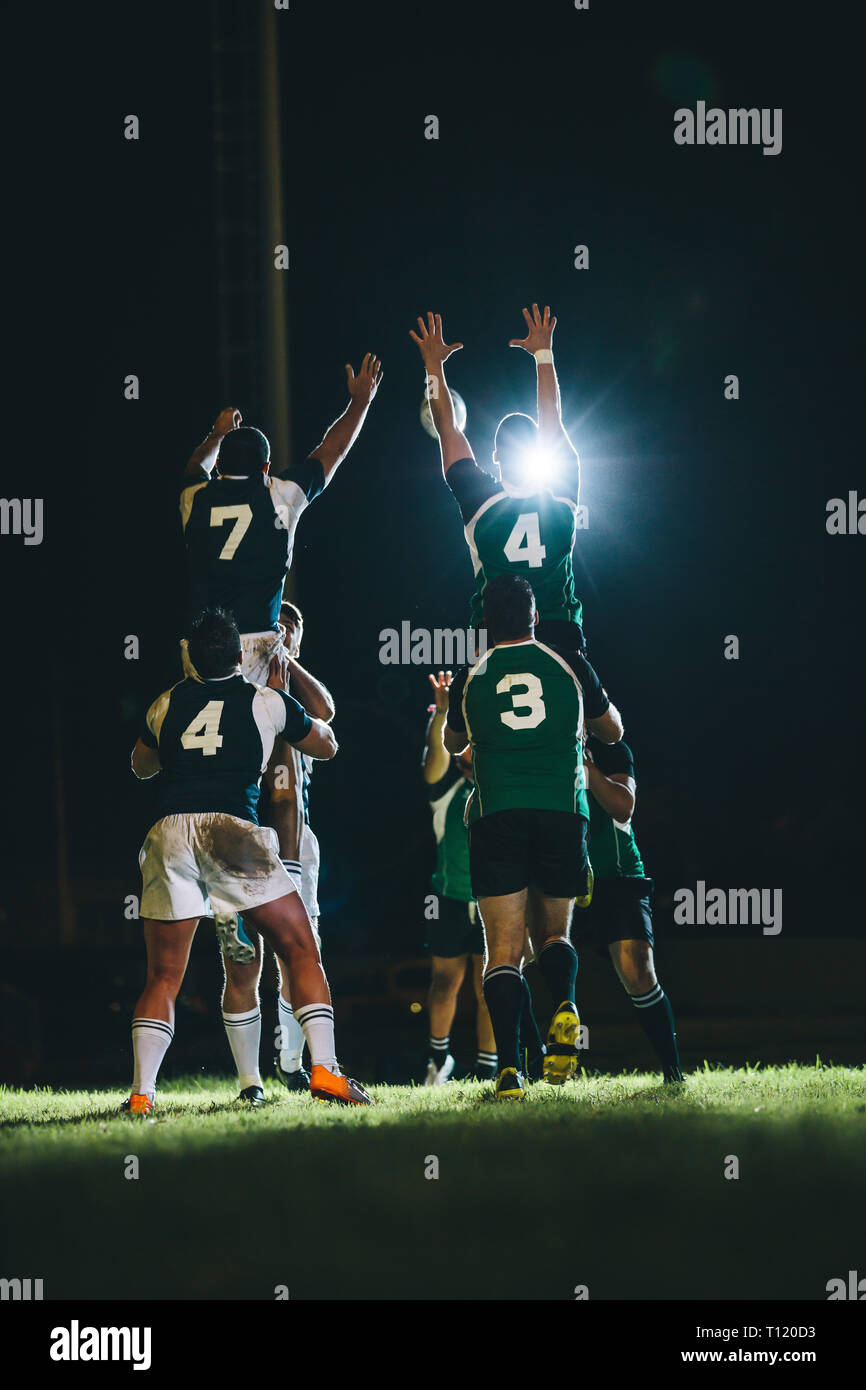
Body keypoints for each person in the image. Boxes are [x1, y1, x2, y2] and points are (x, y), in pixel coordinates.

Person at [126, 606, 372, 1113]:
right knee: (302, 950)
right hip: (231, 833)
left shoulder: (165, 703)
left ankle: (141, 1096)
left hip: (168, 835)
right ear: (240, 655)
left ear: (190, 659)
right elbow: (327, 744)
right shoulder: (264, 701)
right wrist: (286, 709)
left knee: (163, 976)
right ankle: (324, 1070)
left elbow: (140, 766)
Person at [178, 355, 382, 923]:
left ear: (224, 471)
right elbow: (329, 453)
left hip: (199, 658)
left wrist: (215, 435)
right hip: (256, 647)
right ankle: (286, 885)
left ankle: (224, 899)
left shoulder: (196, 498)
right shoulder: (279, 496)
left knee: (216, 774)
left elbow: (194, 466)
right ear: (267, 468)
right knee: (282, 761)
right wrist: (360, 402)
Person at [443, 575, 623, 1101]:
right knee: (554, 934)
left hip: (497, 813)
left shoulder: (471, 674)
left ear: (484, 624)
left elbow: (455, 742)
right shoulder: (568, 663)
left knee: (501, 950)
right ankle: (564, 1003)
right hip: (563, 812)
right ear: (535, 617)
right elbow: (612, 732)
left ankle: (507, 1071)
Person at [410, 305, 586, 650]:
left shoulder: (481, 501)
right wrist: (543, 354)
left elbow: (447, 427)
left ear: (494, 457)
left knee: (468, 700)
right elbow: (552, 420)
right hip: (557, 635)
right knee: (591, 705)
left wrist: (433, 364)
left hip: (492, 639)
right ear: (539, 452)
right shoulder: (562, 498)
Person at [218, 601, 336, 1096]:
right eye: (274, 629)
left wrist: (286, 656)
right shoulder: (237, 687)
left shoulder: (292, 684)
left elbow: (326, 711)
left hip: (294, 839)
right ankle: (250, 1081)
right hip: (242, 833)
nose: (281, 634)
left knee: (301, 949)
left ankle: (289, 1056)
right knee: (243, 957)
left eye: (291, 628)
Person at [577, 735, 684, 1083]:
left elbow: (623, 806)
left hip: (616, 876)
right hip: (558, 877)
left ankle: (673, 1073)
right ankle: (516, 1071)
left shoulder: (611, 750)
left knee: (637, 968)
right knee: (519, 957)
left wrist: (587, 767)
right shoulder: (538, 745)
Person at [421, 670, 497, 1083]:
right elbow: (434, 755)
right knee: (445, 981)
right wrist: (443, 711)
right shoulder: (445, 788)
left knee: (491, 986)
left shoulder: (499, 785)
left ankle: (489, 1067)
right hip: (449, 898)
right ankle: (439, 1062)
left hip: (495, 898)